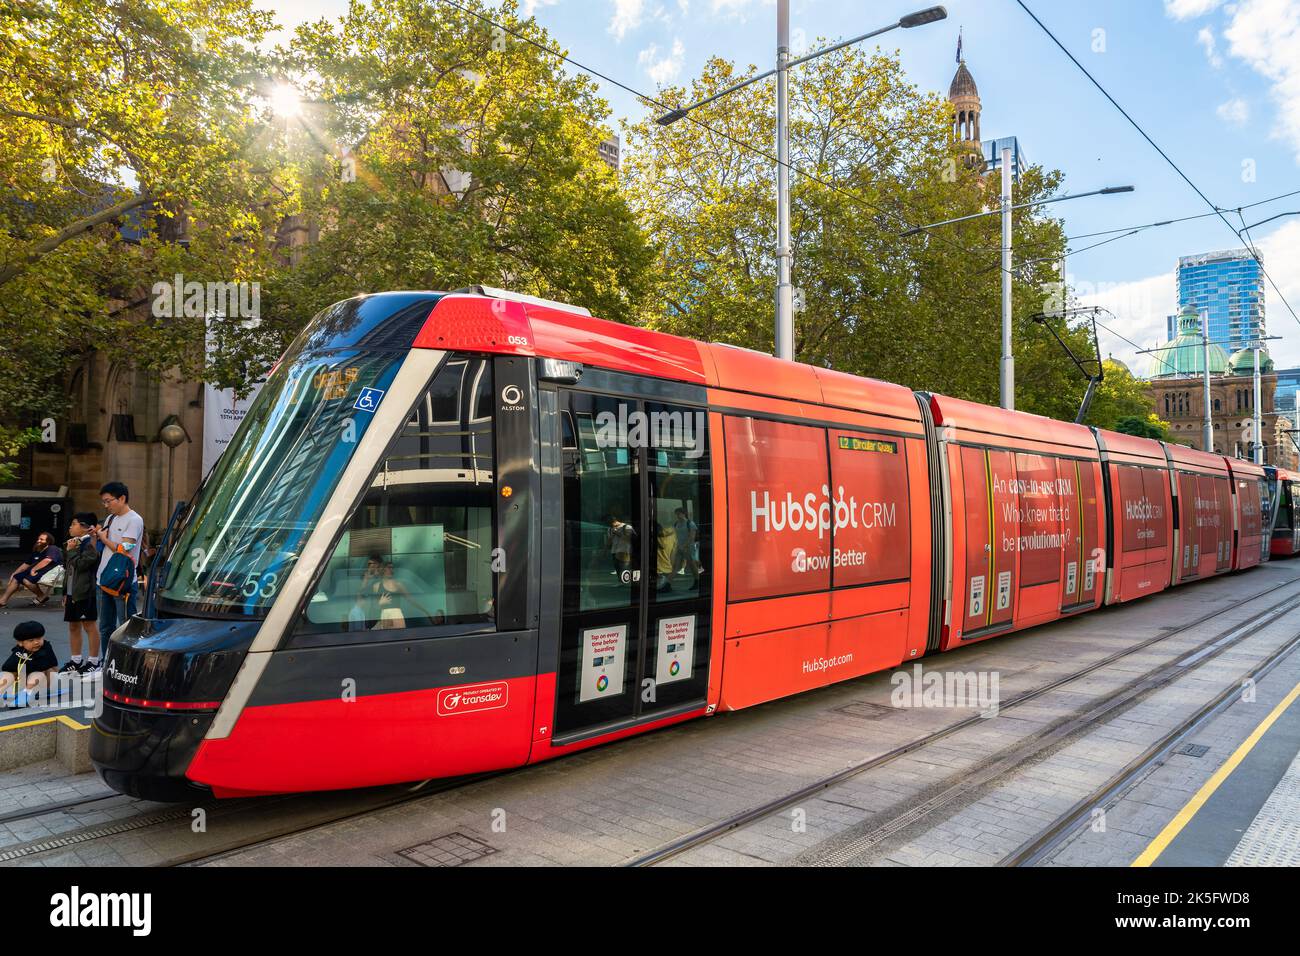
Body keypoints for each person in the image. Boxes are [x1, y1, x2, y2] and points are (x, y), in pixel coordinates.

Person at [95, 481, 145, 640]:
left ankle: (124, 664)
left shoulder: (134, 520)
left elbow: (125, 548)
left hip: (123, 582)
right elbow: (102, 549)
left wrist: (103, 538)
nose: (105, 505)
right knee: (105, 628)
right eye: (103, 501)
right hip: (103, 579)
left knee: (126, 628)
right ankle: (105, 663)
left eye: (108, 501)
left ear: (122, 498)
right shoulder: (110, 518)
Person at [59, 513, 103, 674]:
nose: (70, 527)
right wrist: (65, 592)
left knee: (89, 625)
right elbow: (69, 570)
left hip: (85, 592)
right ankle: (76, 660)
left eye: (74, 524)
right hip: (72, 591)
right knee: (73, 625)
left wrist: (71, 551)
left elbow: (83, 564)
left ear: (84, 526)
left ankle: (93, 661)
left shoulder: (89, 543)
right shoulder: (74, 543)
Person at [1, 620, 58, 706]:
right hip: (24, 679)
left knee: (38, 674)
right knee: (7, 675)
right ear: (20, 643)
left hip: (42, 680)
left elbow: (50, 667)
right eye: (31, 640)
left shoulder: (45, 649)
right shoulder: (19, 650)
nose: (36, 642)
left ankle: (25, 694)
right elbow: (7, 667)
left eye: (39, 638)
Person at [0, 531, 62, 608]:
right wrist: (14, 573)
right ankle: (2, 601)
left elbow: (47, 560)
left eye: (42, 539)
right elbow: (25, 564)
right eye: (38, 539)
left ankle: (41, 596)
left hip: (48, 572)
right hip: (36, 571)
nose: (38, 541)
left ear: (48, 541)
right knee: (16, 577)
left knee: (26, 580)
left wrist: (33, 570)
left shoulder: (52, 548)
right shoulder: (36, 551)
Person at [672, 508, 699, 578]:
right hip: (679, 548)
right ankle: (668, 584)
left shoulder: (690, 523)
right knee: (675, 566)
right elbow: (675, 535)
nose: (677, 516)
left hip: (688, 548)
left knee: (692, 566)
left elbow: (691, 537)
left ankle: (697, 581)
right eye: (676, 514)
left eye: (679, 514)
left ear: (684, 514)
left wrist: (684, 546)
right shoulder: (676, 524)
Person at [606, 512, 635, 576]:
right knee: (618, 570)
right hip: (614, 552)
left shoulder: (627, 527)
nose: (610, 526)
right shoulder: (610, 529)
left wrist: (617, 533)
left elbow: (630, 539)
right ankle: (620, 583)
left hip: (624, 552)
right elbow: (609, 541)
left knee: (624, 571)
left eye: (610, 524)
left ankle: (625, 583)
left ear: (614, 521)